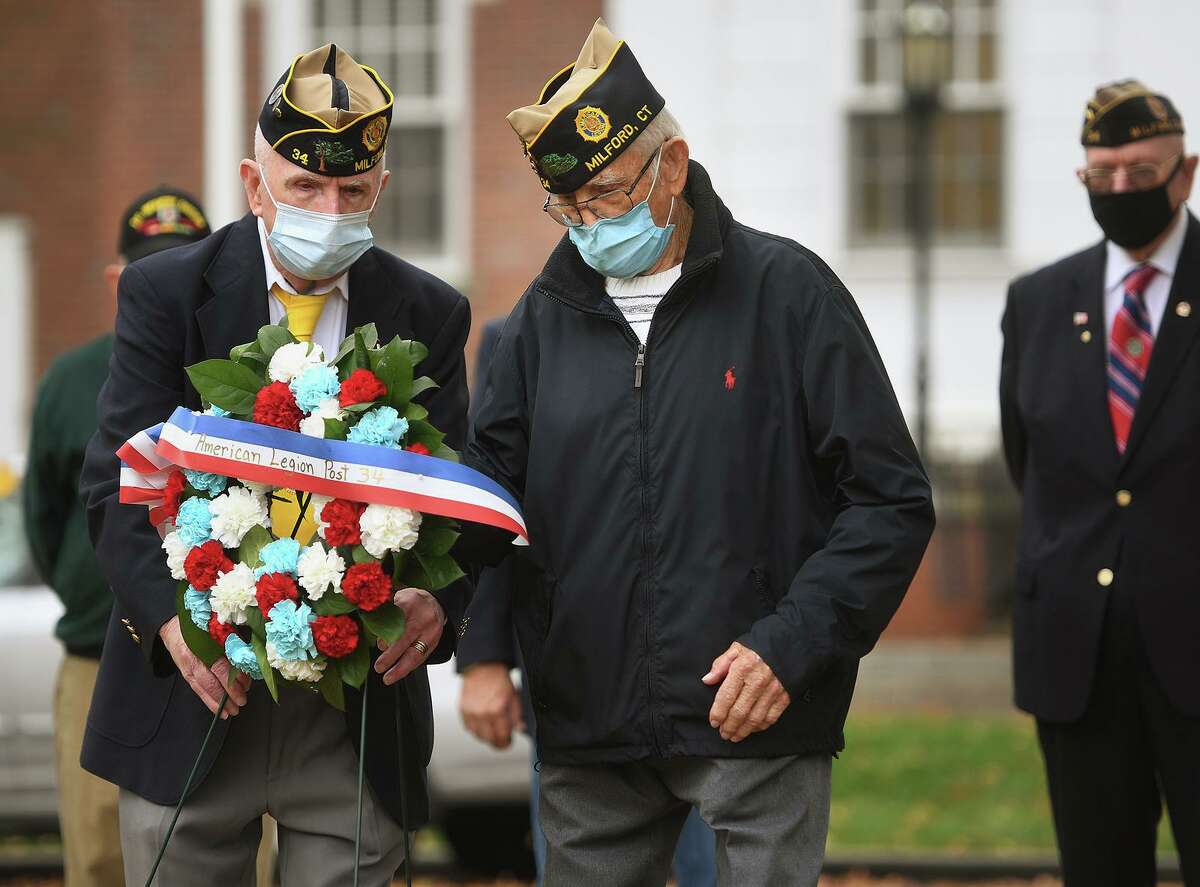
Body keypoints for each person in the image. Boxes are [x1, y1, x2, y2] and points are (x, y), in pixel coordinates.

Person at [462, 19, 935, 886]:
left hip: (757, 712)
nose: (587, 224)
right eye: (565, 207)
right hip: (589, 730)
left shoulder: (790, 295)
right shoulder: (535, 325)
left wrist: (791, 645)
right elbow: (487, 503)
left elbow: (891, 500)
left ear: (671, 166)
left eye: (604, 195)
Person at [78, 44, 471, 887]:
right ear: (256, 185)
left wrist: (440, 601)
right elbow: (113, 489)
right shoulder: (165, 293)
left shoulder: (429, 312)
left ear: (380, 192)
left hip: (354, 722)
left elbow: (457, 503)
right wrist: (177, 627)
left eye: (352, 192)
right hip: (193, 691)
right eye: (304, 187)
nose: (329, 210)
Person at [1000, 80, 1200, 886]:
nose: (1121, 189)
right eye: (1102, 174)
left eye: (1139, 171)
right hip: (1077, 658)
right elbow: (1030, 460)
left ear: (1183, 173)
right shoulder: (1039, 301)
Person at [458, 317, 718, 886]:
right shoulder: (521, 337)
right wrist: (484, 660)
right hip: (576, 688)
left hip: (710, 682)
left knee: (711, 872)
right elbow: (496, 506)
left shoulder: (726, 330)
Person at [22, 186, 210, 886]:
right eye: (149, 269)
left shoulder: (240, 367)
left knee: (230, 852)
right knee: (100, 857)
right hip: (96, 653)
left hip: (213, 655)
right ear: (116, 280)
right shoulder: (71, 380)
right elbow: (47, 513)